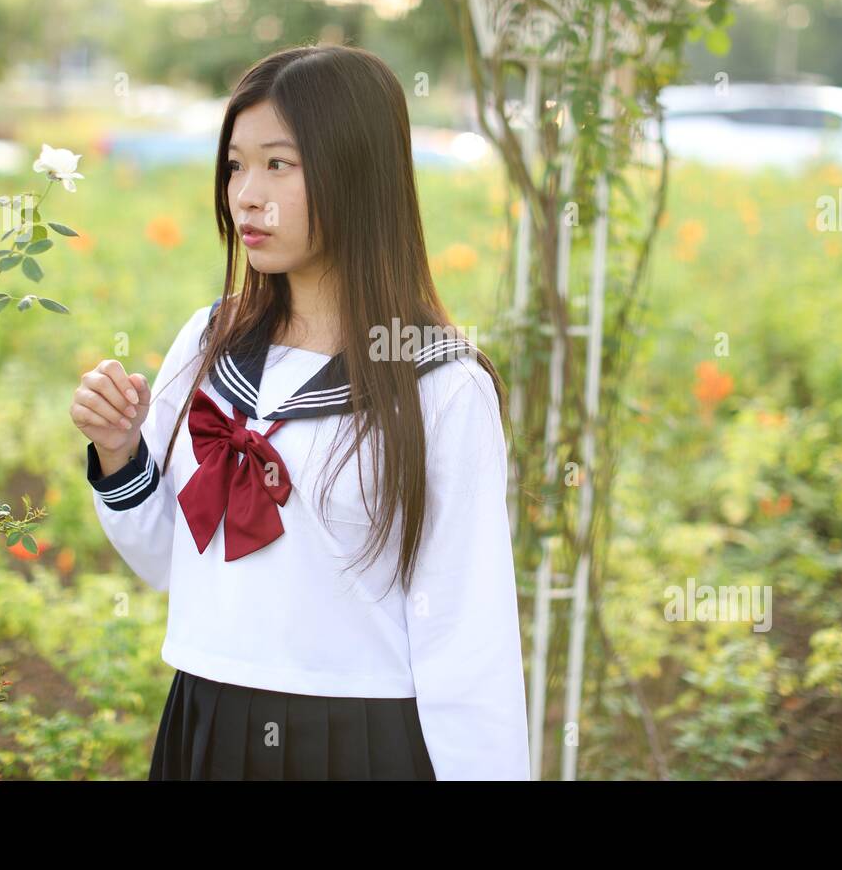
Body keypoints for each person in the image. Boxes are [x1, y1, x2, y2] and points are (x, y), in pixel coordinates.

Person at [69, 44, 530, 780]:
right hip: (206, 723)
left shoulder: (439, 386)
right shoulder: (209, 341)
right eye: (234, 166)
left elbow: (469, 643)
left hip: (360, 744)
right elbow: (169, 561)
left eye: (277, 165)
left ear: (357, 173)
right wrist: (122, 454)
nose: (246, 195)